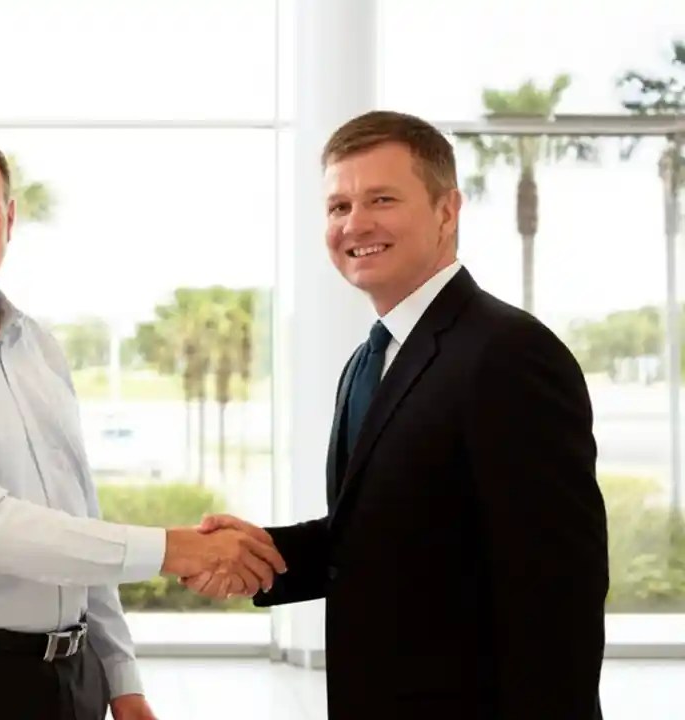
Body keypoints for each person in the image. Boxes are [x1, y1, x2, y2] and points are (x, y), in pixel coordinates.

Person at [0, 128, 286, 720]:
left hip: (72, 675)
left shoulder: (35, 345)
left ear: (10, 219)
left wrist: (121, 677)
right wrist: (176, 550)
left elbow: (78, 517)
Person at [186, 110, 609, 719]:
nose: (355, 223)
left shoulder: (510, 353)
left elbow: (559, 590)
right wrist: (262, 553)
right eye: (338, 206)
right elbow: (376, 536)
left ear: (447, 210)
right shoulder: (369, 359)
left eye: (381, 199)